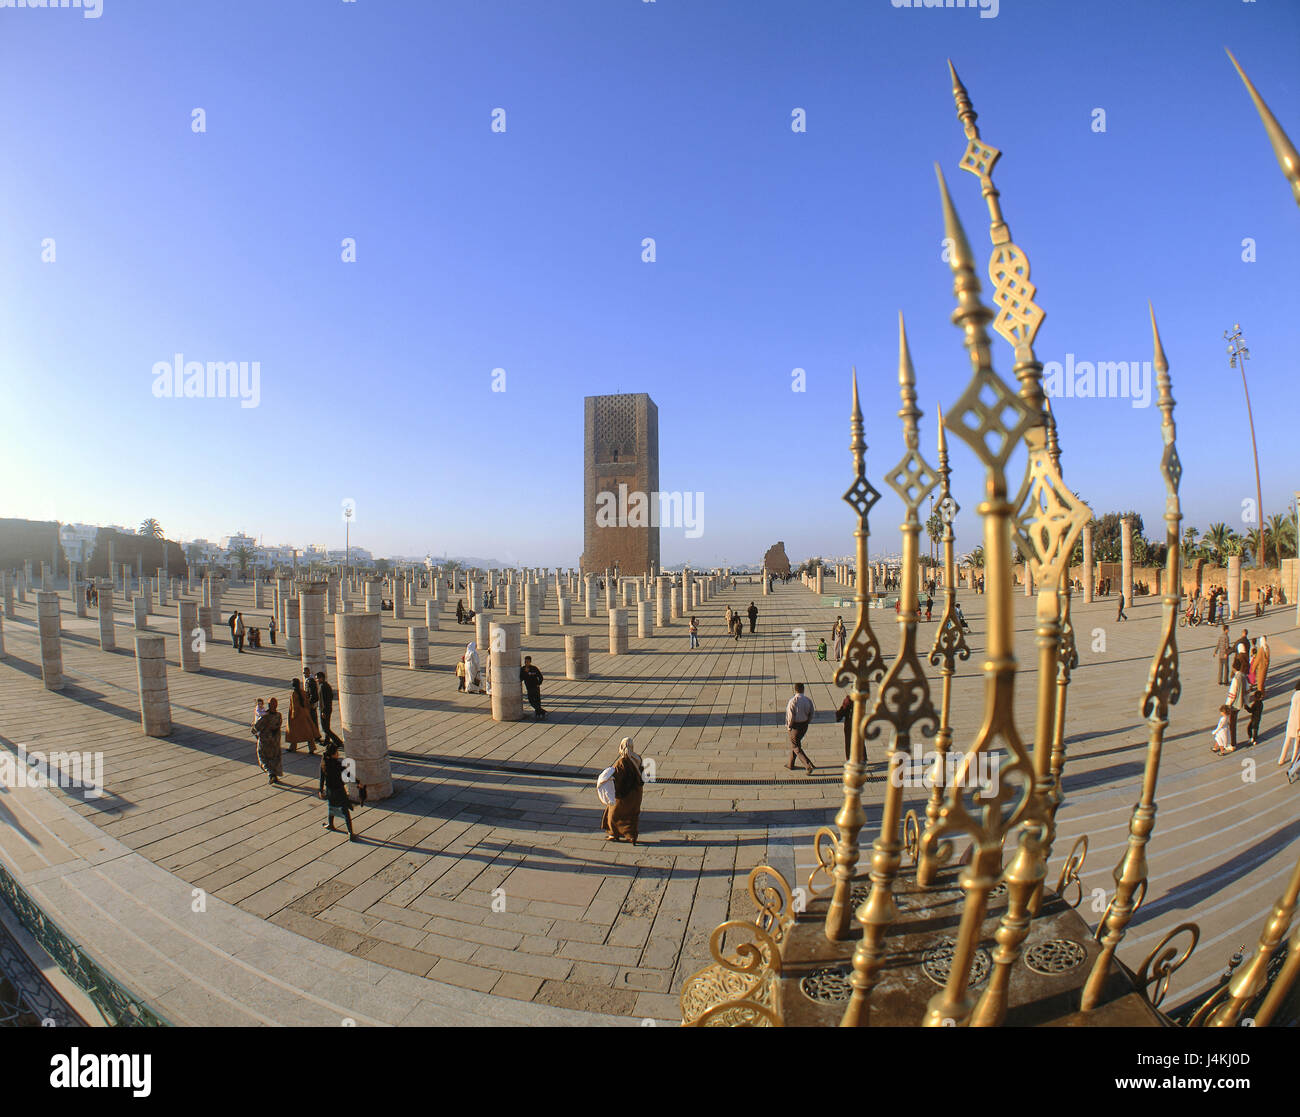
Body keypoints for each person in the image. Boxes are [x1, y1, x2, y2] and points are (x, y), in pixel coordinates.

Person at [600, 737, 644, 844]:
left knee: (612, 814)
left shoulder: (621, 762)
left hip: (624, 794)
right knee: (632, 816)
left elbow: (617, 777)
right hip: (636, 794)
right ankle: (631, 836)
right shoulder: (638, 759)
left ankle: (613, 833)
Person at [319, 742, 358, 841]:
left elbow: (322, 777)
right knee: (345, 810)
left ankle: (331, 824)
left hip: (329, 790)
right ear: (333, 754)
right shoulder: (337, 764)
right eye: (337, 752)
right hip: (339, 790)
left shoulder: (324, 763)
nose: (338, 754)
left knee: (331, 806)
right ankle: (350, 832)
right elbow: (348, 774)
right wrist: (358, 782)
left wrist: (320, 790)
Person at [785, 683, 815, 773]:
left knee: (795, 746)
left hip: (795, 726)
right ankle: (790, 764)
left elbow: (790, 716)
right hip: (804, 725)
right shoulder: (808, 700)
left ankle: (807, 765)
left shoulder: (793, 701)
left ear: (795, 690)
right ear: (803, 689)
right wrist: (807, 722)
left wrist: (789, 727)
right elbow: (812, 713)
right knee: (795, 744)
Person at [253, 698, 284, 785]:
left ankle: (271, 774)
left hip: (265, 741)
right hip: (275, 742)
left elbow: (256, 727)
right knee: (275, 759)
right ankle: (274, 774)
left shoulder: (264, 716)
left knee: (263, 758)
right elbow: (278, 726)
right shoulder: (279, 715)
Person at [286, 677, 321, 754]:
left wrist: (293, 716)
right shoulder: (303, 692)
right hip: (305, 713)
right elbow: (307, 703)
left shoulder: (293, 694)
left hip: (297, 715)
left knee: (294, 732)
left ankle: (293, 747)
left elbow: (294, 706)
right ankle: (311, 748)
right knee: (308, 732)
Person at [1224, 653, 1249, 751]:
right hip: (1240, 703)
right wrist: (1246, 703)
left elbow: (1232, 694)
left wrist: (1227, 705)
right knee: (1233, 723)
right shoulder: (1243, 677)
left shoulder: (1235, 679)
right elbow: (1247, 692)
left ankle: (1233, 744)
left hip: (1234, 705)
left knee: (1232, 724)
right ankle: (1232, 742)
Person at [316, 671, 342, 747]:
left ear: (321, 678)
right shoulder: (326, 685)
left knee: (325, 728)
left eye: (317, 678)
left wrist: (323, 711)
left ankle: (337, 741)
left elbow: (324, 700)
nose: (316, 680)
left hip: (325, 710)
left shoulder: (323, 686)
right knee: (327, 726)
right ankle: (327, 741)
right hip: (328, 709)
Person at [1278, 682, 1300, 770]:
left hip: (1291, 721)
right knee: (1297, 743)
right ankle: (1293, 761)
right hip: (1297, 723)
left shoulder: (1295, 695)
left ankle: (1281, 759)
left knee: (1287, 741)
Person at [834, 693, 854, 761]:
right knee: (860, 739)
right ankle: (863, 757)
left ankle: (850, 758)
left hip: (850, 722)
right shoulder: (863, 696)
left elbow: (844, 709)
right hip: (860, 721)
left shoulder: (849, 698)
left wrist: (838, 715)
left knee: (849, 741)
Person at [303, 667, 321, 737]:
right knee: (312, 720)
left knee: (313, 720)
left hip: (311, 704)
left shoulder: (310, 681)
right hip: (311, 703)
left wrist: (310, 703)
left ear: (309, 672)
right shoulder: (308, 680)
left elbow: (313, 694)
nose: (304, 674)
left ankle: (316, 735)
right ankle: (315, 734)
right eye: (304, 673)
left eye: (306, 672)